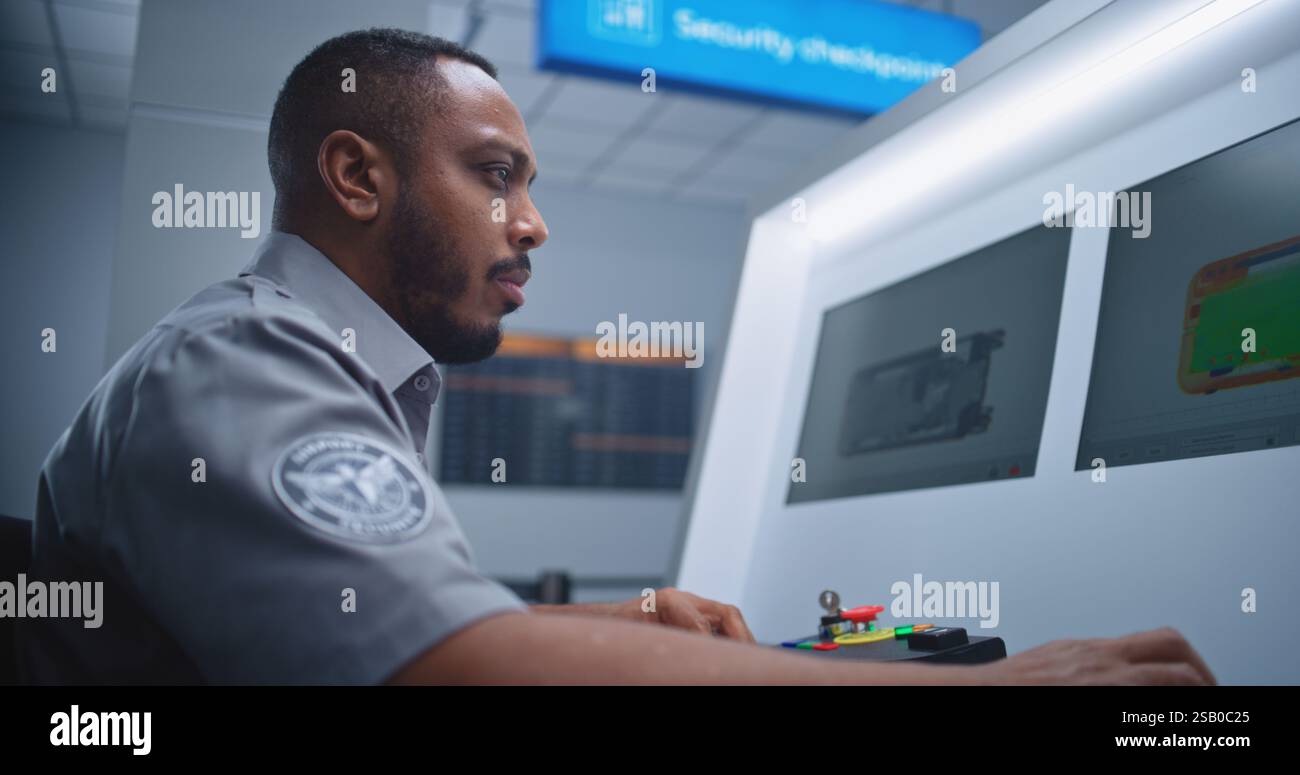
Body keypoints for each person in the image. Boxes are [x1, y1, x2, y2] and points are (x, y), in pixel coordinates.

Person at [19, 29, 1215, 686]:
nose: (532, 222)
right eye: (495, 176)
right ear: (354, 176)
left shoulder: (318, 365)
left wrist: (605, 621)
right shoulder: (245, 358)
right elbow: (459, 669)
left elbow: (367, 628)